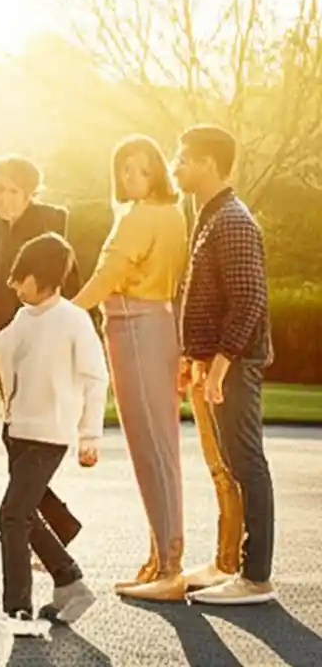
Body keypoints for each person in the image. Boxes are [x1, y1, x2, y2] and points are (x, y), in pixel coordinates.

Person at [0, 232, 107, 634]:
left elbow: (96, 377)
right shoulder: (22, 318)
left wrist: (90, 436)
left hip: (49, 436)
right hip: (17, 432)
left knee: (11, 516)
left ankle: (17, 612)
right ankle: (70, 584)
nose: (14, 284)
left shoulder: (73, 320)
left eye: (22, 276)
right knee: (25, 514)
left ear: (45, 275)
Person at [0, 155, 87, 559]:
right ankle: (56, 526)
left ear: (30, 194)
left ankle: (46, 532)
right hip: (6, 354)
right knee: (17, 442)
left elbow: (71, 288)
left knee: (26, 444)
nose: (2, 197)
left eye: (12, 190)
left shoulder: (51, 226)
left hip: (46, 349)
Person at [69, 135, 190, 601]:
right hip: (153, 325)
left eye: (141, 169)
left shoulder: (141, 217)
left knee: (152, 448)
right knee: (157, 447)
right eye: (124, 169)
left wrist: (62, 316)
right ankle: (160, 557)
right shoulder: (172, 214)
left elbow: (108, 277)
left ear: (157, 171)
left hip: (137, 328)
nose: (131, 177)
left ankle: (170, 567)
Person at [172, 124, 277, 605]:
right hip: (216, 361)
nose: (176, 166)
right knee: (234, 462)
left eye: (184, 158)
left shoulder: (232, 220)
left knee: (246, 461)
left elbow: (249, 298)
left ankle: (255, 577)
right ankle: (231, 566)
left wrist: (219, 366)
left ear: (209, 163)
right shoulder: (211, 215)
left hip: (233, 364)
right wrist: (190, 355)